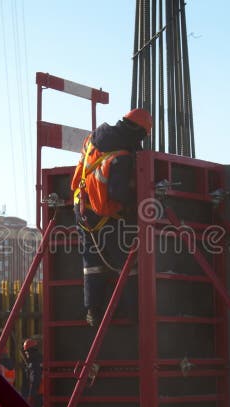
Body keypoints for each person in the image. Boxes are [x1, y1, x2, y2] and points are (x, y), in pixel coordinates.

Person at [71, 108, 152, 326]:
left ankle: (94, 311)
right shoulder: (122, 157)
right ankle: (136, 312)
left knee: (92, 262)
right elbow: (118, 193)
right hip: (102, 214)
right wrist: (131, 208)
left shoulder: (94, 137)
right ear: (138, 133)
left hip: (81, 208)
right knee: (127, 261)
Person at [21, 338, 43, 407]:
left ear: (30, 351)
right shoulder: (41, 359)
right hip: (42, 393)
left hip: (37, 395)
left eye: (26, 352)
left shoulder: (34, 363)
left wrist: (31, 396)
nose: (26, 354)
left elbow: (35, 380)